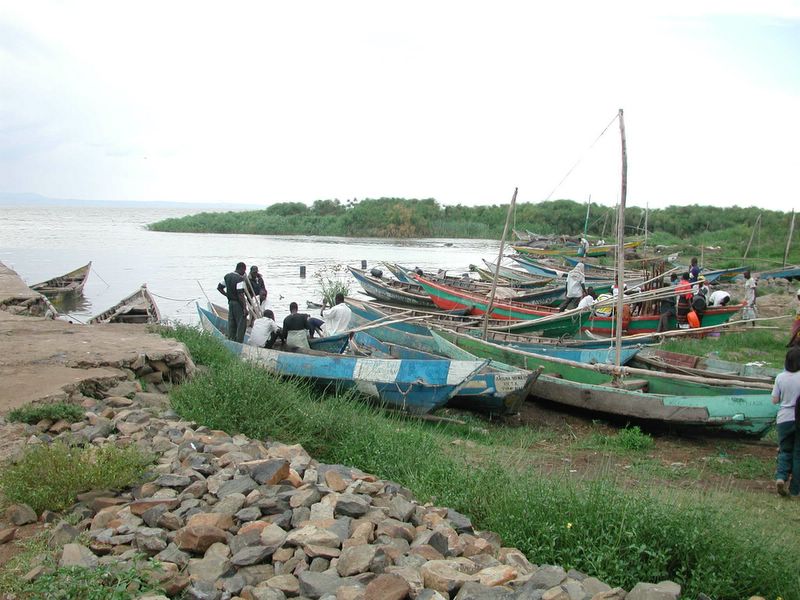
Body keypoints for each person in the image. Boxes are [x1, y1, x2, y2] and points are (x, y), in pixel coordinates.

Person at [772, 346, 800, 498]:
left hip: (784, 419)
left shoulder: (780, 377)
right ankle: (795, 490)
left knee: (785, 451)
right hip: (799, 419)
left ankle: (781, 477)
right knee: (798, 454)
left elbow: (775, 400)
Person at [217, 262, 247, 343]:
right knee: (241, 324)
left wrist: (227, 295)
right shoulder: (239, 279)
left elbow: (219, 287)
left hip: (230, 303)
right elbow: (240, 294)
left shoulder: (227, 276)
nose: (244, 273)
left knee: (232, 323)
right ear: (241, 269)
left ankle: (231, 340)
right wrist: (244, 308)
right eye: (244, 270)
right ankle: (239, 342)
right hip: (238, 304)